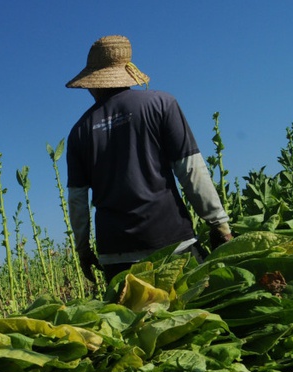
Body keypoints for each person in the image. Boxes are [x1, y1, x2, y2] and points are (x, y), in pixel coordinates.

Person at [64, 35, 233, 283]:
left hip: (115, 253)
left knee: (131, 321)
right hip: (171, 243)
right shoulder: (162, 104)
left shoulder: (79, 131)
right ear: (128, 73)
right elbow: (191, 169)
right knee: (192, 317)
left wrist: (83, 250)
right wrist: (218, 223)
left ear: (92, 81)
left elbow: (77, 200)